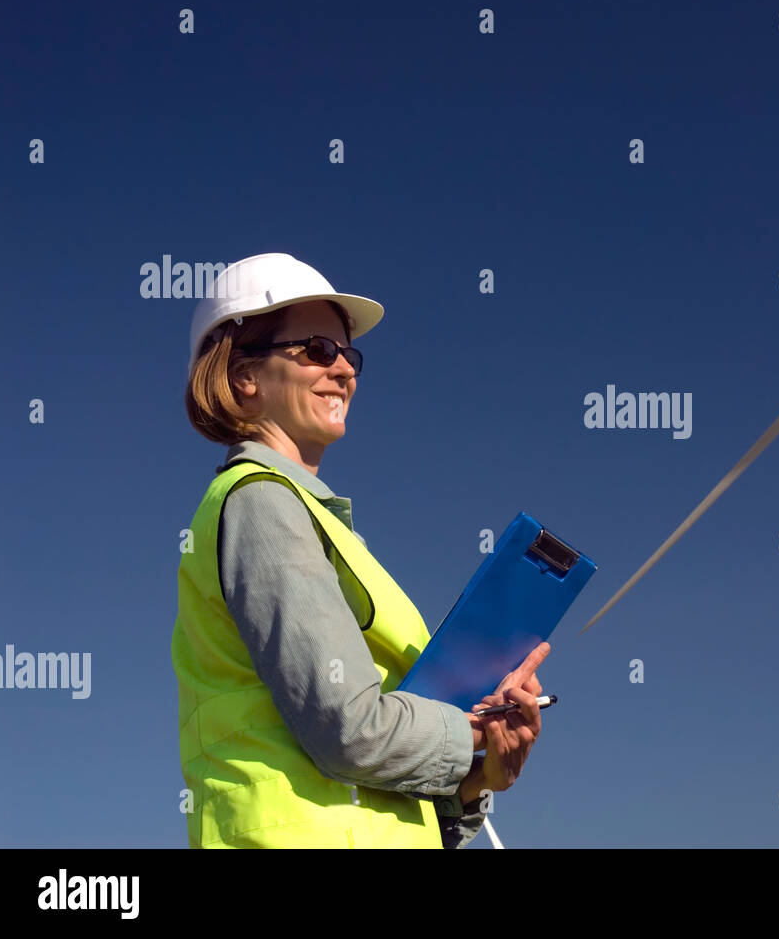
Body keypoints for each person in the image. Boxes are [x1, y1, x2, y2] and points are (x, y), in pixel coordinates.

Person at [171, 252, 547, 848]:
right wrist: (475, 725)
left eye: (350, 355)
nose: (344, 369)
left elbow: (369, 779)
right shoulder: (262, 503)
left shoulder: (310, 516)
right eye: (318, 349)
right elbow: (350, 729)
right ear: (245, 376)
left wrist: (474, 780)